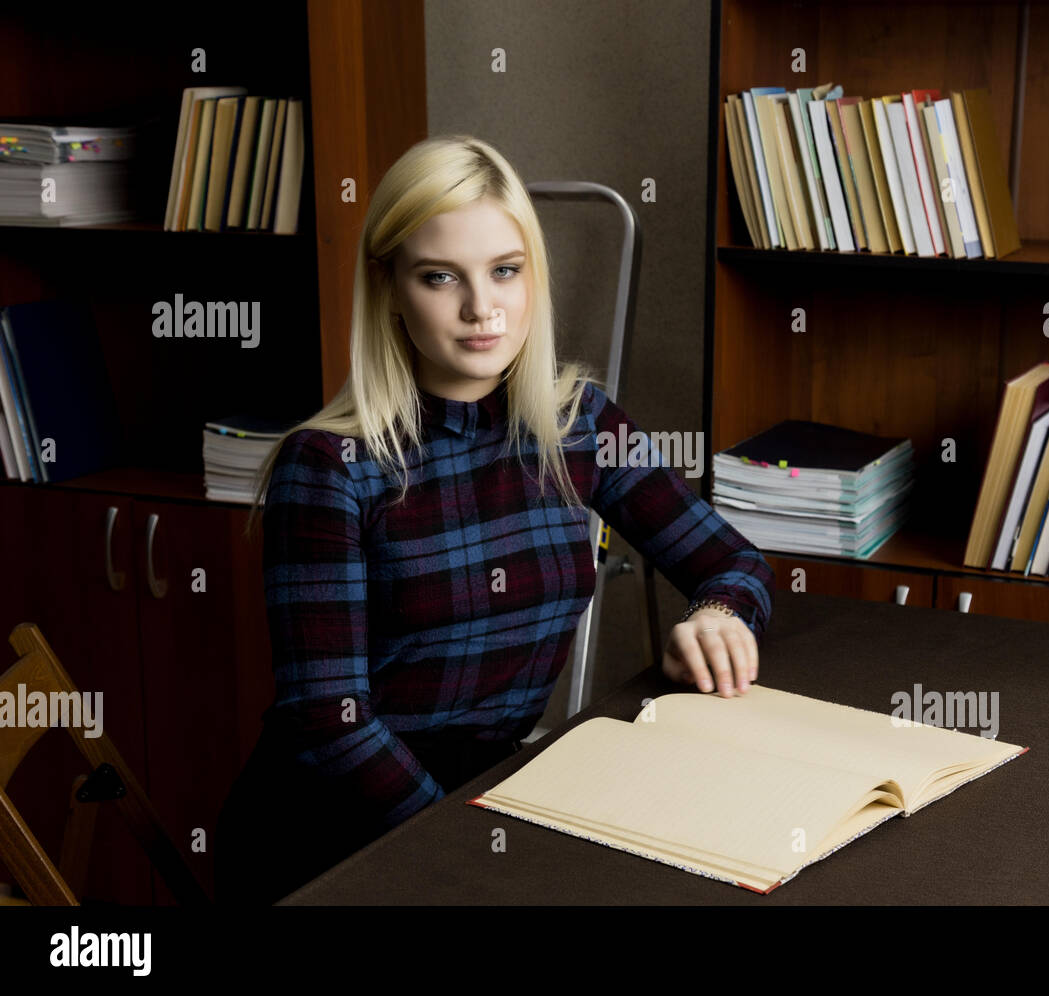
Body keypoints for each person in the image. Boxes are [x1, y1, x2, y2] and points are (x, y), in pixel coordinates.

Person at [214, 134, 775, 904]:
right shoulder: (330, 468)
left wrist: (718, 615)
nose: (482, 308)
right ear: (389, 290)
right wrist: (463, 836)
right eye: (440, 277)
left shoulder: (580, 424)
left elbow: (734, 563)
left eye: (505, 271)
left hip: (494, 794)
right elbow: (330, 721)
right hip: (334, 836)